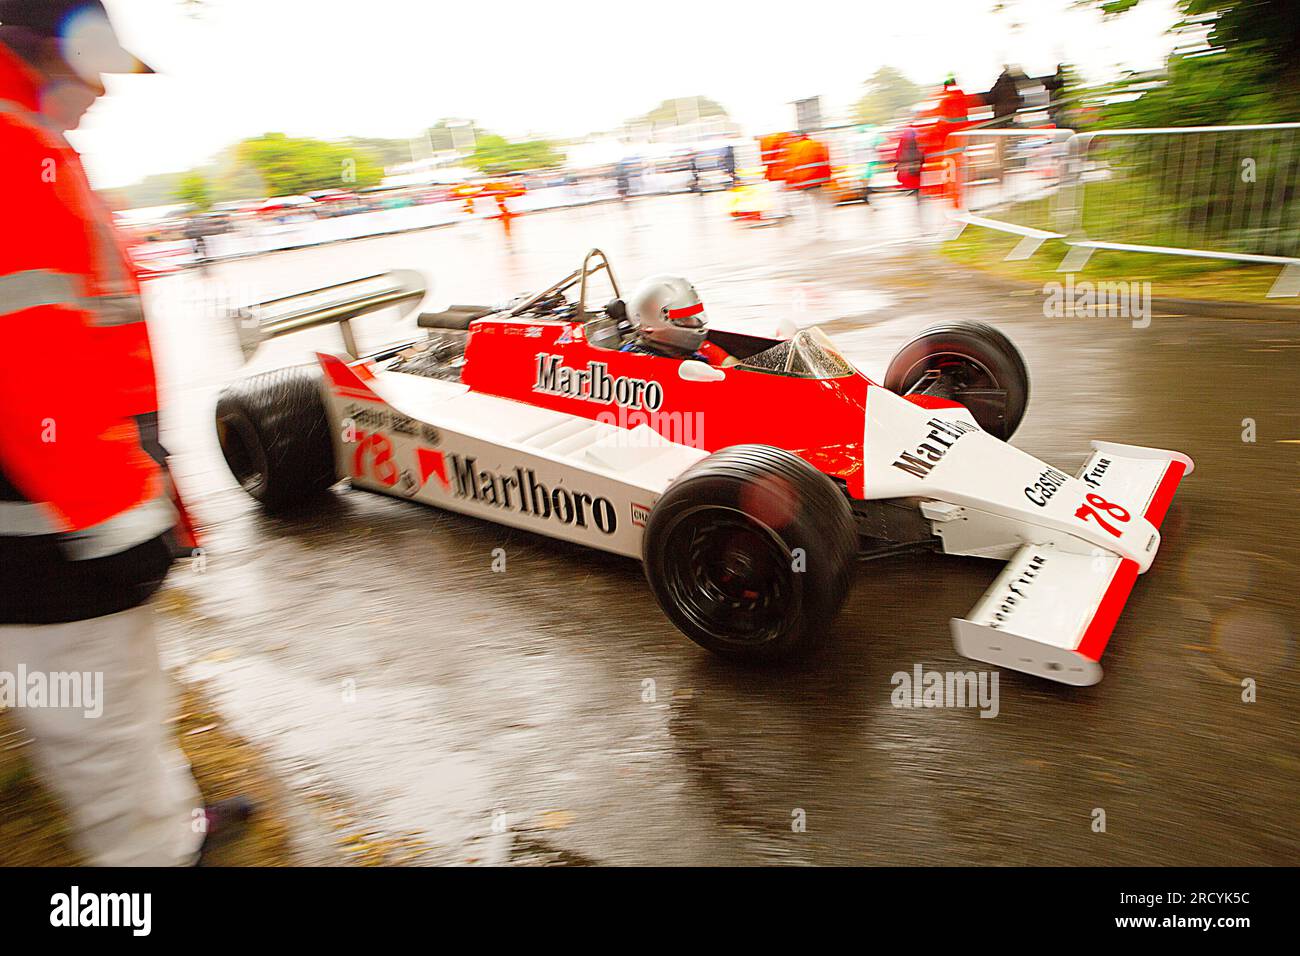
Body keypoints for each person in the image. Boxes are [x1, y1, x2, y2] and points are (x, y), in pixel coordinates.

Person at [0, 0, 250, 865]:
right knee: (100, 742)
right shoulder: (13, 150)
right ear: (39, 48)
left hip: (66, 523)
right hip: (50, 546)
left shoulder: (36, 143)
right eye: (95, 62)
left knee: (126, 709)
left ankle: (168, 820)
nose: (105, 87)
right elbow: (24, 361)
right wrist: (114, 518)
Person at [620, 275, 731, 365]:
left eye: (694, 314)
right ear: (652, 323)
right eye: (683, 318)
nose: (694, 322)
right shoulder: (632, 362)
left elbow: (733, 365)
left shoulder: (698, 348)